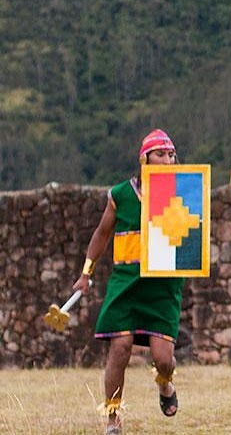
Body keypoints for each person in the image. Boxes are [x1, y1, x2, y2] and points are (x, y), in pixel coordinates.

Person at [72, 130, 186, 435]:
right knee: (119, 348)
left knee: (163, 359)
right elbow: (101, 234)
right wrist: (86, 273)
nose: (166, 159)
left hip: (162, 287)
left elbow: (192, 237)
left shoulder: (183, 192)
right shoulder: (121, 195)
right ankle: (113, 418)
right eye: (160, 154)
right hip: (126, 283)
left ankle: (164, 383)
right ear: (144, 158)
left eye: (171, 154)